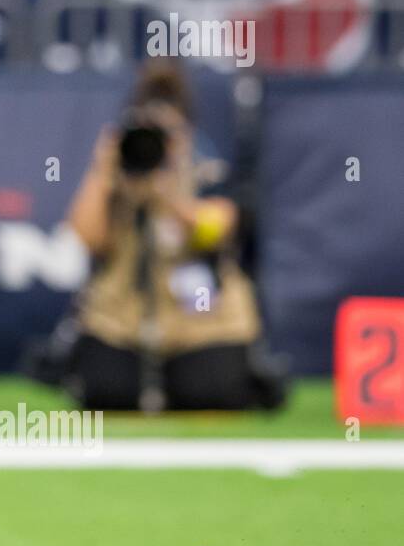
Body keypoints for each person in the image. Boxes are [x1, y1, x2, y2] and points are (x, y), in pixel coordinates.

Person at [54, 60, 287, 411]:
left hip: (200, 319)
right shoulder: (120, 171)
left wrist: (170, 192)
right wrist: (102, 172)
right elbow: (88, 238)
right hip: (122, 319)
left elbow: (216, 231)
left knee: (210, 392)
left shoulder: (207, 165)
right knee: (105, 392)